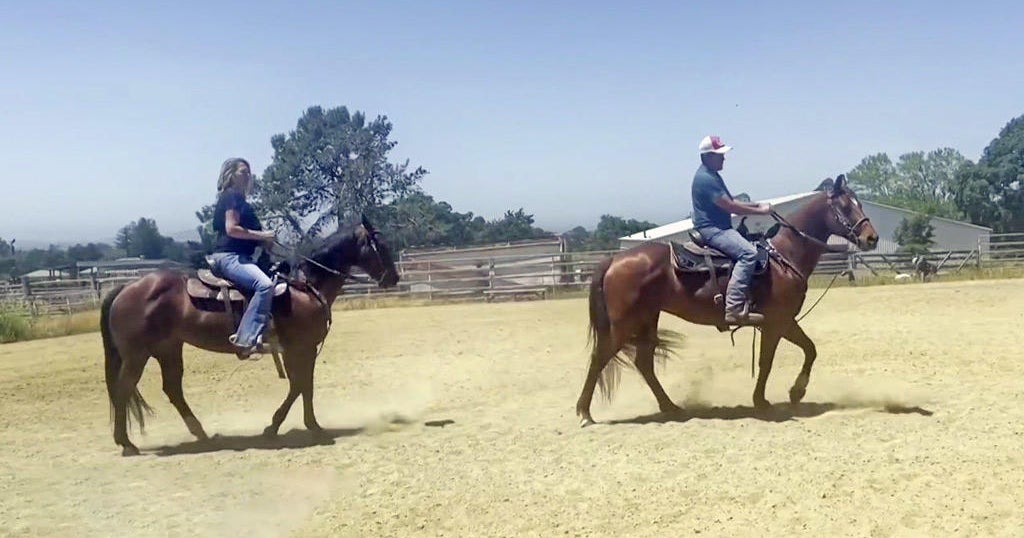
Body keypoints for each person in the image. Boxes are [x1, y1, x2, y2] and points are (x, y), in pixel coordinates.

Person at [690, 135, 772, 325]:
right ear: (708, 156)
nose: (723, 158)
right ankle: (734, 308)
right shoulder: (705, 179)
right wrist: (761, 212)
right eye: (719, 155)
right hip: (713, 229)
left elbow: (732, 201)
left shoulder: (711, 175)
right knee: (749, 253)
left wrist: (757, 204)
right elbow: (730, 207)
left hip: (718, 227)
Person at [209, 158, 276, 357]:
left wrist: (264, 242)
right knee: (265, 285)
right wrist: (263, 236)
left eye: (249, 173)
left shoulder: (237, 199)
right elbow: (232, 229)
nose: (248, 176)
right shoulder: (232, 197)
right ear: (231, 175)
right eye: (243, 172)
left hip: (239, 256)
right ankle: (246, 339)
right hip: (230, 256)